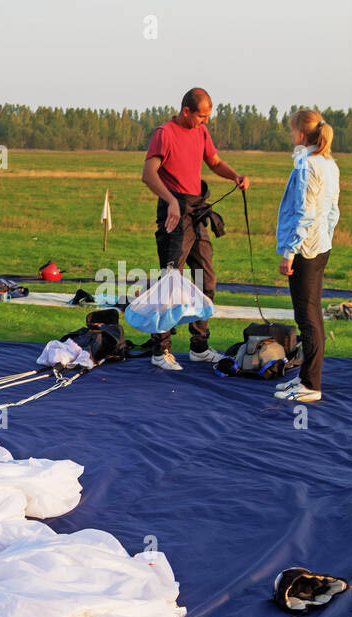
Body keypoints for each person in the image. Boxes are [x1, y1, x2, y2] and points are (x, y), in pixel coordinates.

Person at [140, 87, 250, 371]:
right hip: (174, 214)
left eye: (207, 116)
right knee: (170, 281)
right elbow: (148, 174)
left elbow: (213, 162)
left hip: (198, 211)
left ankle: (199, 346)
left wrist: (234, 175)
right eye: (201, 116)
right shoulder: (164, 133)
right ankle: (159, 351)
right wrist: (170, 202)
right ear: (186, 111)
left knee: (206, 280)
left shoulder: (200, 132)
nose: (205, 121)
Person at [274, 110, 340, 403]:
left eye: (292, 131)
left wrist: (290, 252)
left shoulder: (308, 166)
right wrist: (325, 239)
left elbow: (304, 214)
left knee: (308, 318)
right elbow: (332, 212)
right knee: (311, 316)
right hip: (320, 246)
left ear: (302, 134)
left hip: (306, 250)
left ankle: (311, 385)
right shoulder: (329, 164)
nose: (290, 135)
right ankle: (305, 379)